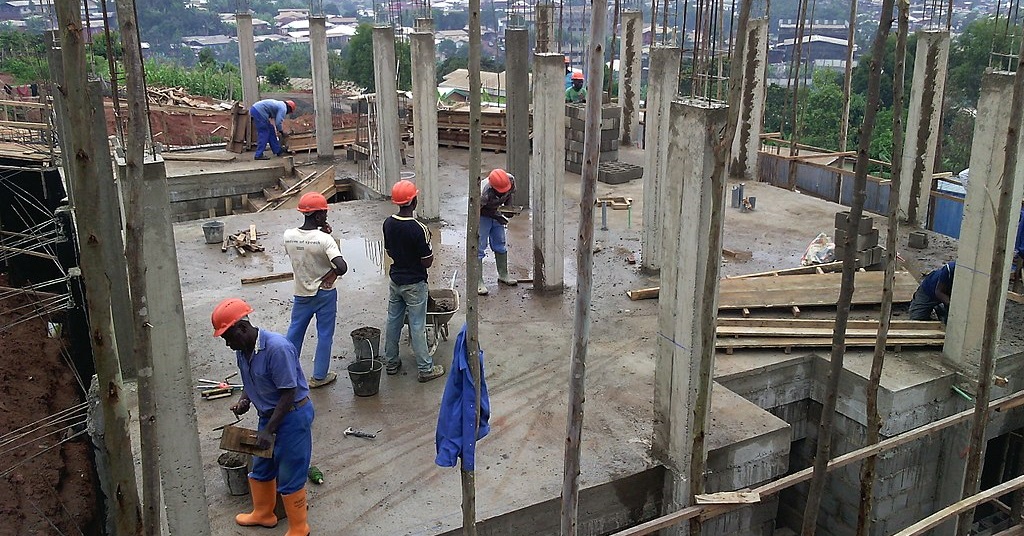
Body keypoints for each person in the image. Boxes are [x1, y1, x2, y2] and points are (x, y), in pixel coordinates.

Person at [211, 297, 313, 536]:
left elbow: (288, 392)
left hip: (293, 415)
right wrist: (245, 399)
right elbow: (251, 379)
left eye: (228, 337)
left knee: (289, 471)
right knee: (262, 466)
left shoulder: (277, 348)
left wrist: (269, 430)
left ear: (243, 328)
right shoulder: (243, 349)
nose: (227, 344)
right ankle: (264, 514)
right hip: (269, 415)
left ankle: (300, 528)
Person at [382, 180, 446, 383]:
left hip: (396, 280)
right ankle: (425, 369)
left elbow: (390, 251)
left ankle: (391, 362)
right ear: (414, 201)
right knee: (417, 325)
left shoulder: (388, 223)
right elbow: (426, 262)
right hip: (415, 283)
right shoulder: (420, 229)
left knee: (393, 321)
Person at [283, 192, 348, 388]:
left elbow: (303, 254)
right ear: (318, 216)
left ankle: (286, 374)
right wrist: (332, 274)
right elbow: (342, 266)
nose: (326, 217)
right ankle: (319, 376)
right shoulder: (324, 240)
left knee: (294, 333)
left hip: (301, 293)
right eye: (324, 214)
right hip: (325, 292)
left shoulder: (288, 236)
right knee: (325, 334)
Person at [477, 168, 518, 295]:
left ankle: (503, 274)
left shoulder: (510, 180)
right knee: (479, 246)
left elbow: (509, 194)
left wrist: (508, 209)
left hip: (496, 213)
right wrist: (497, 216)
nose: (502, 193)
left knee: (500, 243)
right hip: (482, 215)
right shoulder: (484, 192)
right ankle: (478, 280)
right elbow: (477, 210)